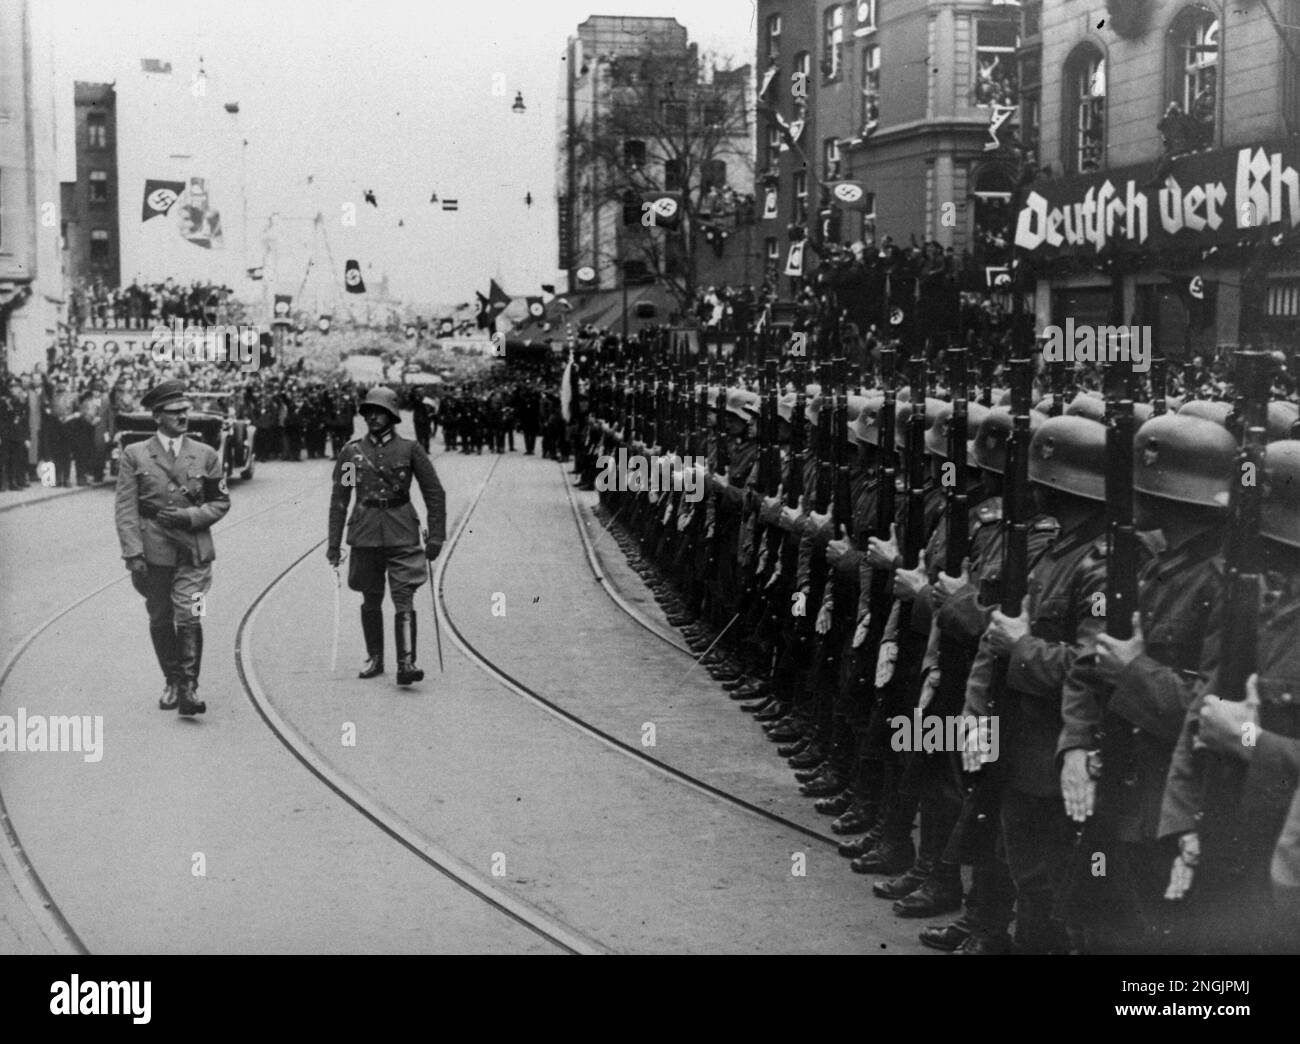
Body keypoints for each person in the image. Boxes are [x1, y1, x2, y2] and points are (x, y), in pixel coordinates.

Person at [114, 379, 231, 716]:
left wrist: (190, 516)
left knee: (192, 613)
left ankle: (190, 688)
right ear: (157, 416)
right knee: (160, 615)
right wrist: (133, 553)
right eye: (175, 412)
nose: (183, 416)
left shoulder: (206, 454)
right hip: (153, 551)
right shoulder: (135, 454)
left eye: (185, 410)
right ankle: (172, 681)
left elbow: (220, 502)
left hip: (195, 549)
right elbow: (125, 508)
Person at [327, 386, 446, 686]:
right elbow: (341, 498)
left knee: (404, 596)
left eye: (379, 413)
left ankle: (406, 662)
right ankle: (375, 658)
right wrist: (333, 544)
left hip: (402, 530)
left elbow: (434, 493)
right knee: (371, 596)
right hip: (365, 531)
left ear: (392, 416)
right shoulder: (352, 453)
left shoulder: (410, 450)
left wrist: (436, 537)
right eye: (369, 412)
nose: (373, 418)